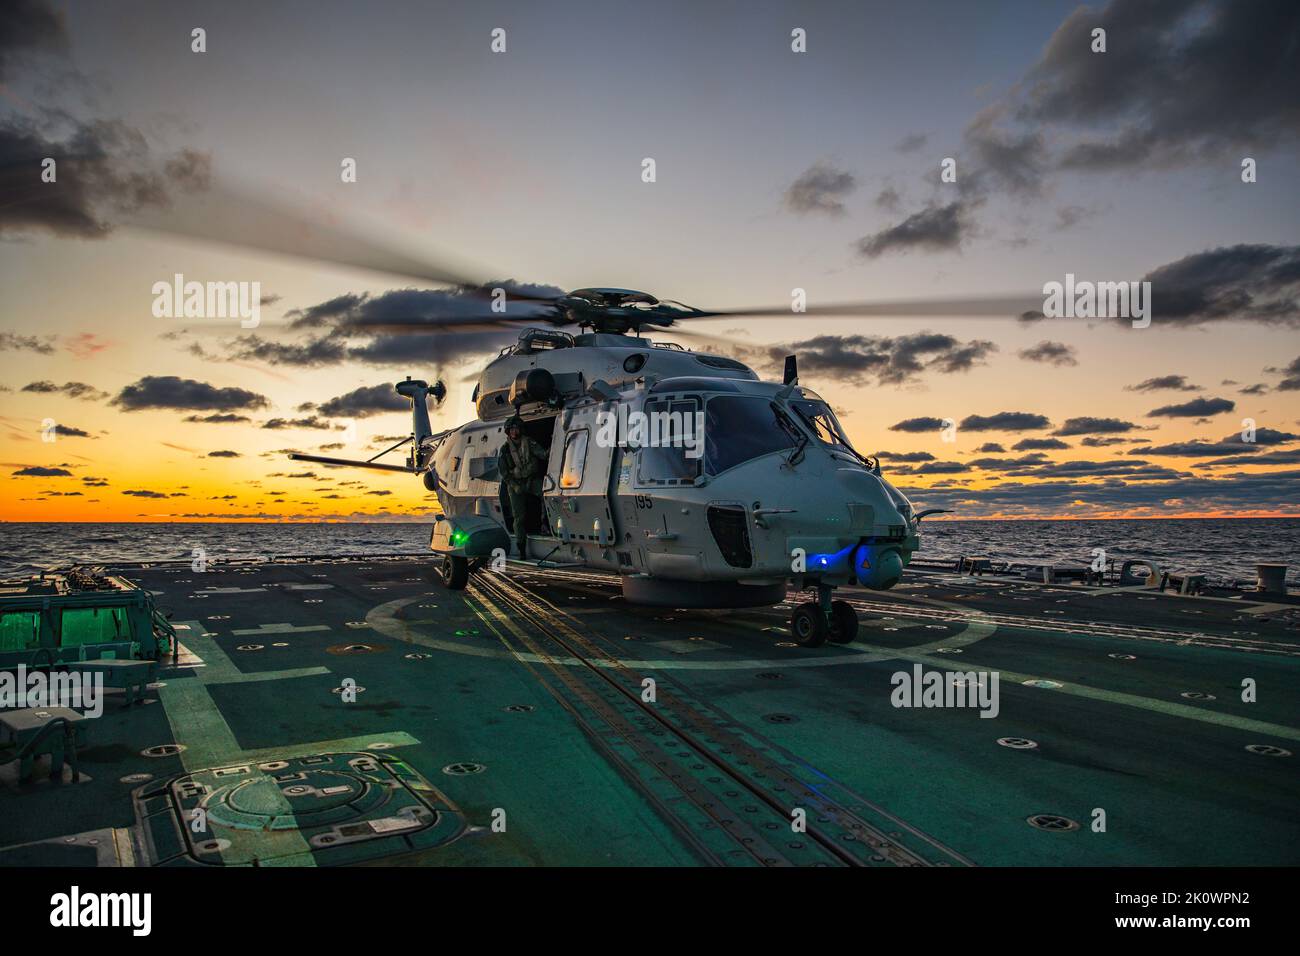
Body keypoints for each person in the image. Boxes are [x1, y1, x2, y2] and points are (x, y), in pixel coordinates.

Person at [498, 415, 548, 558]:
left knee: (546, 495)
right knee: (518, 517)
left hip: (531, 480)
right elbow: (504, 472)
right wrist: (514, 485)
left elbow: (542, 454)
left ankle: (544, 525)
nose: (514, 431)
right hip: (515, 484)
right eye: (511, 429)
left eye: (516, 428)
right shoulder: (505, 449)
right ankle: (521, 548)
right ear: (508, 431)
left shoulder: (529, 442)